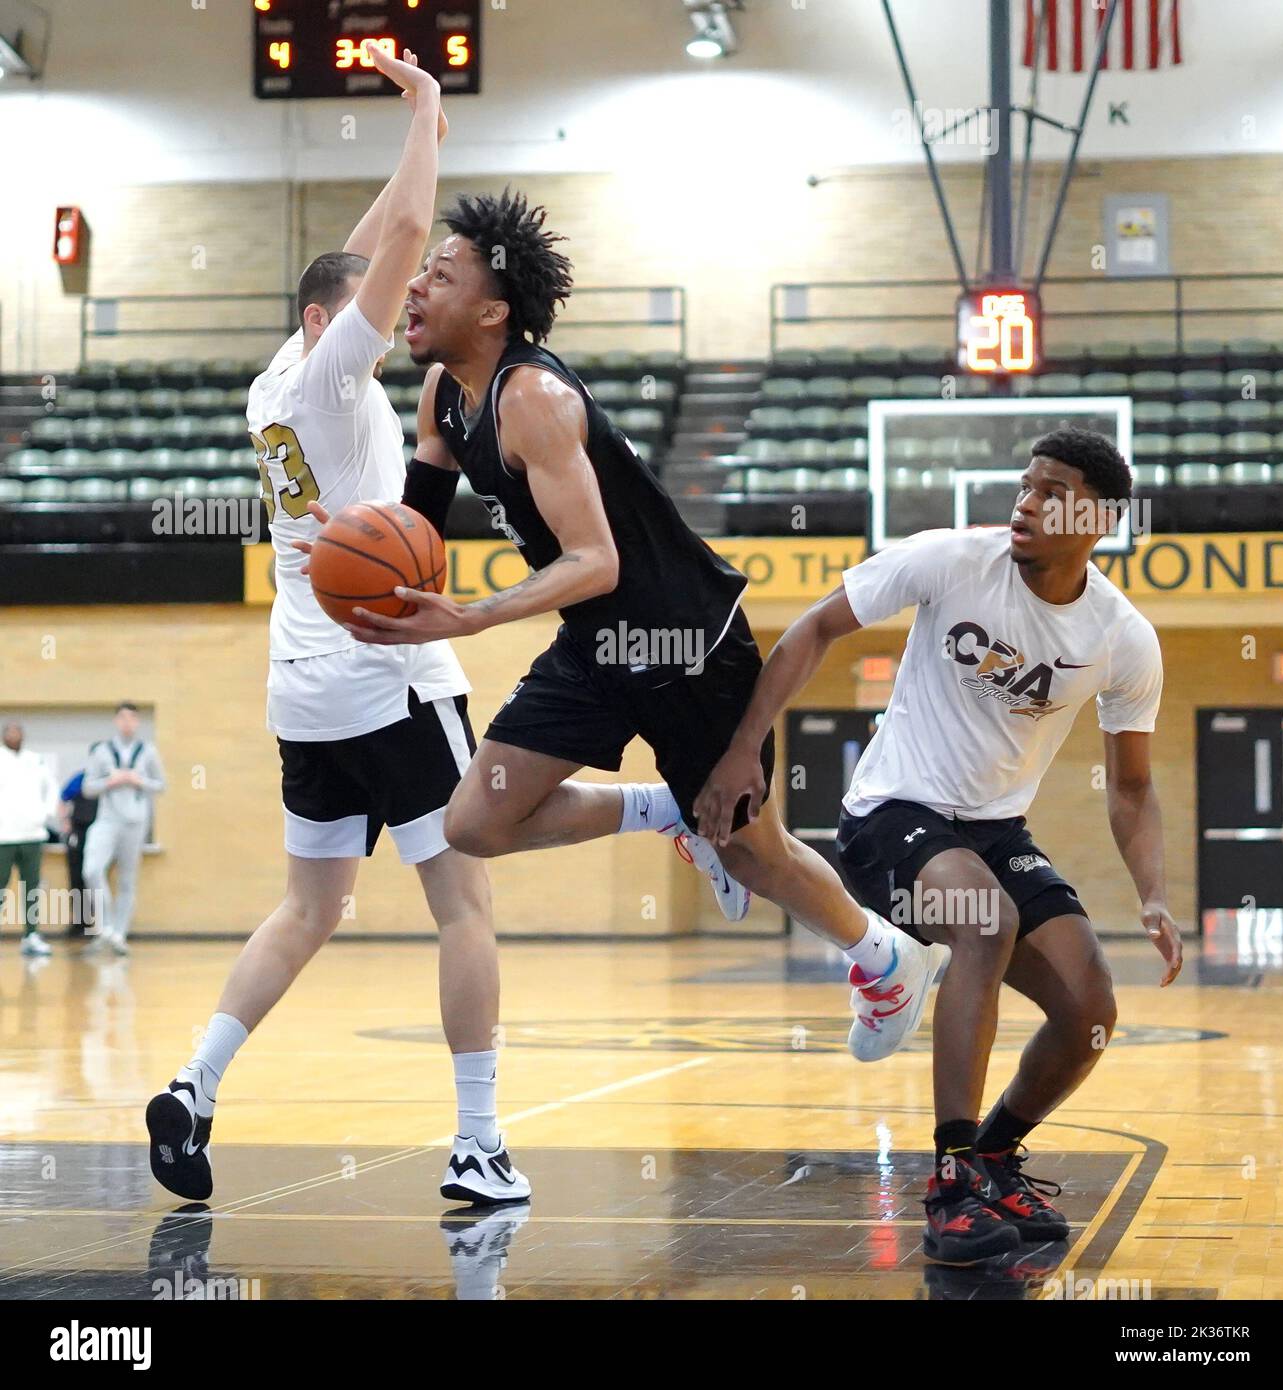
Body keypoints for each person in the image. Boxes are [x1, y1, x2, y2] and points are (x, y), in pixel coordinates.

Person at [327, 189, 945, 1060]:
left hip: (687, 643)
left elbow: (596, 560)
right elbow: (414, 533)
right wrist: (351, 555)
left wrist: (471, 617)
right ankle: (663, 811)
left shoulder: (532, 396)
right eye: (421, 271)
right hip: (595, 648)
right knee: (473, 824)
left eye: (441, 274)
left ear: (493, 310)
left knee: (755, 855)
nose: (416, 286)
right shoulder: (443, 395)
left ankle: (888, 957)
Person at [145, 46, 526, 1209]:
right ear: (325, 320)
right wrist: (425, 108)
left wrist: (421, 146)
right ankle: (477, 1144)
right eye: (363, 308)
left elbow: (364, 247)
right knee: (463, 904)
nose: (391, 313)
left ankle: (195, 1085)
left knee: (310, 906)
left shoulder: (272, 382)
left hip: (302, 684)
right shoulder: (327, 377)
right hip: (387, 673)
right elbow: (402, 237)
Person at [694, 426, 1184, 1264]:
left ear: (1098, 519)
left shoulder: (1120, 636)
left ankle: (993, 1157)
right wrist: (746, 748)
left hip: (995, 831)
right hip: (891, 813)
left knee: (1090, 1011)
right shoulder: (952, 559)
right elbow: (814, 628)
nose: (1026, 503)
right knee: (984, 923)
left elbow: (1132, 787)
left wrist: (1154, 893)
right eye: (1025, 485)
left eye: (1053, 493)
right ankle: (952, 1182)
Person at [82, 703, 167, 955]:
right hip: (107, 820)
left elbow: (161, 785)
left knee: (127, 879)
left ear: (138, 722)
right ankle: (106, 927)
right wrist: (111, 781)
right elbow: (88, 788)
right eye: (123, 718)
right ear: (116, 721)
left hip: (135, 822)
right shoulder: (102, 751)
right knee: (92, 870)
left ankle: (119, 934)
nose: (127, 723)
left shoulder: (147, 751)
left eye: (132, 718)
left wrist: (138, 780)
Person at [0, 720, 58, 958]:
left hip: (32, 835)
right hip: (4, 836)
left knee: (31, 887)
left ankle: (31, 935)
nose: (14, 735)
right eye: (10, 732)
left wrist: (46, 814)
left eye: (18, 731)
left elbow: (52, 787)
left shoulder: (36, 760)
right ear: (4, 736)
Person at [59, 751, 102, 939]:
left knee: (95, 877)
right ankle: (79, 921)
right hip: (79, 831)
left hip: (100, 834)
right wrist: (65, 822)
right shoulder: (80, 778)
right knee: (77, 877)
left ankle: (100, 922)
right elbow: (63, 798)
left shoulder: (108, 781)